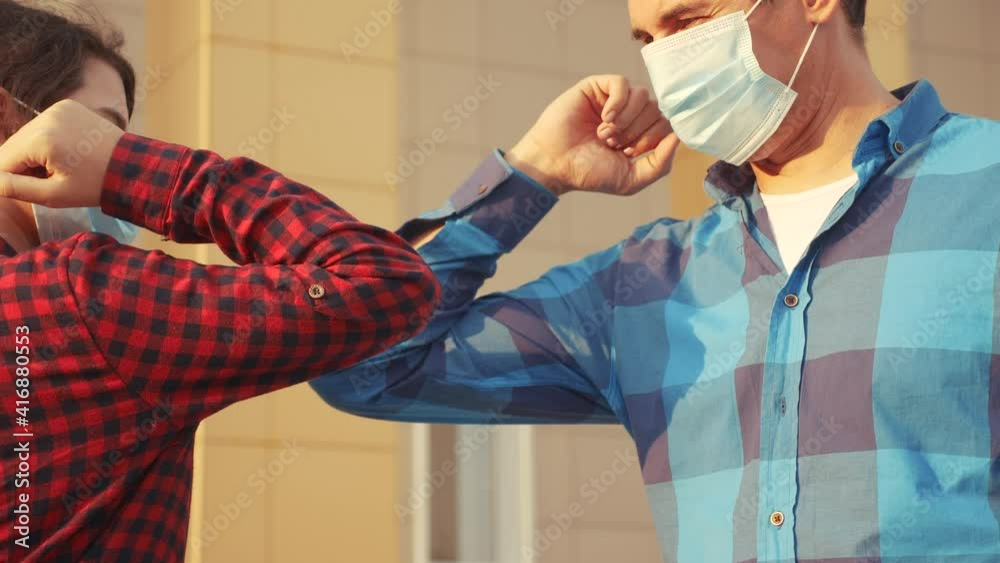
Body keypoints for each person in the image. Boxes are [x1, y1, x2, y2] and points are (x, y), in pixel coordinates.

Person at [313, 0, 1000, 560]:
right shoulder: (644, 281)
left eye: (690, 23)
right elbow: (364, 361)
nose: (665, 63)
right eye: (647, 37)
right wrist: (532, 172)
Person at [0, 2, 438, 561]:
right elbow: (383, 281)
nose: (101, 162)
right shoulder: (81, 298)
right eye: (97, 133)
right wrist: (139, 172)